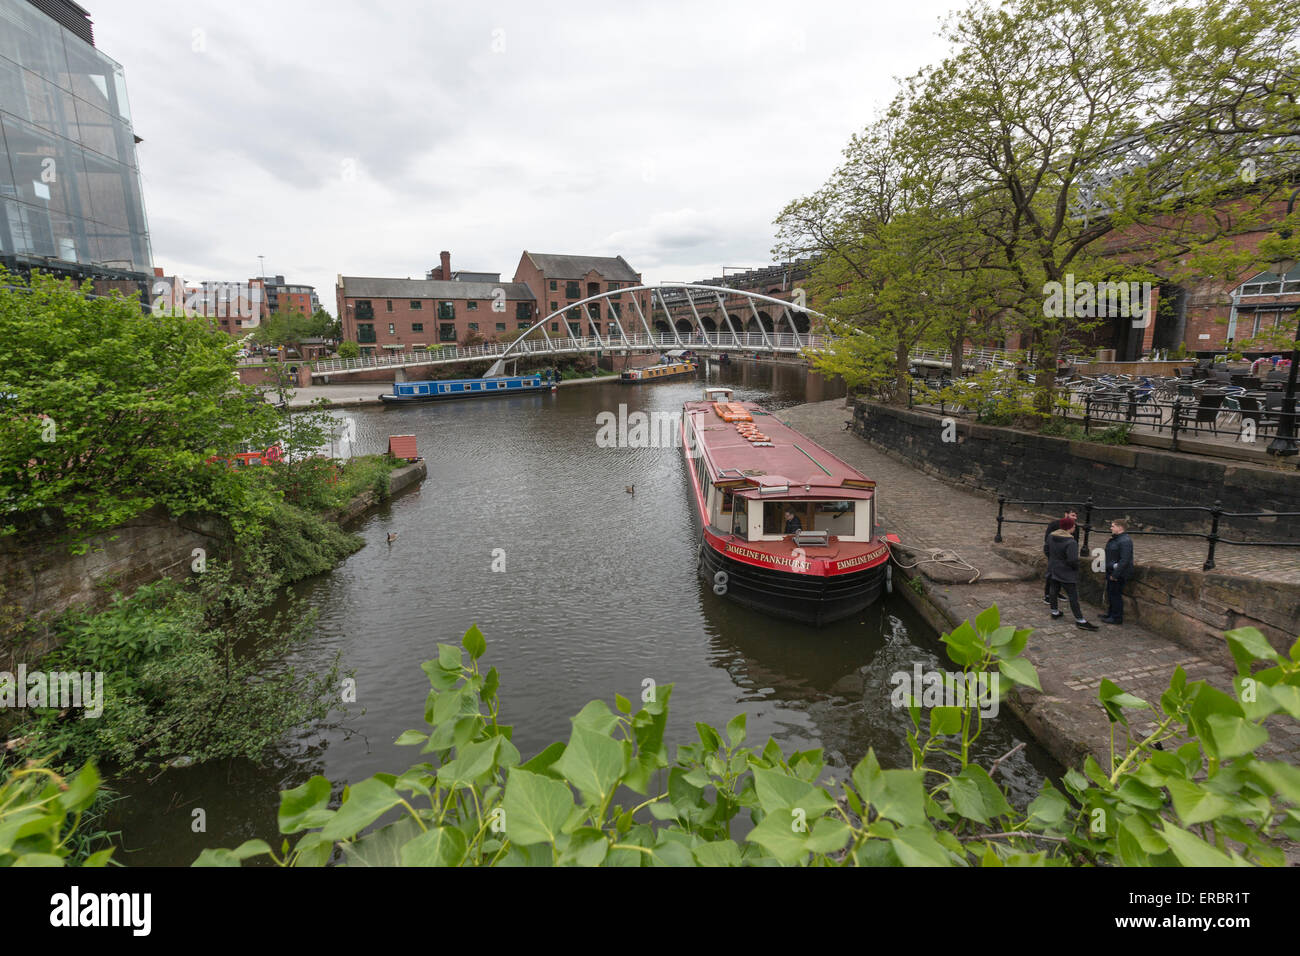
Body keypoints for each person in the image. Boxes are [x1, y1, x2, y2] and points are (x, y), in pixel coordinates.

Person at [1046, 516, 1098, 630]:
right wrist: (1075, 568)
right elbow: (1072, 560)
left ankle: (1054, 611)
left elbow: (1046, 549)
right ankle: (1080, 620)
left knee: (1054, 590)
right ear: (1070, 528)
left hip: (1053, 568)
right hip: (1066, 572)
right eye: (1074, 526)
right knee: (1073, 596)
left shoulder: (1051, 536)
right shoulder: (1071, 542)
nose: (1075, 528)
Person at [1100, 517, 1134, 625]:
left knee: (1115, 595)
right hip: (1112, 571)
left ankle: (1116, 617)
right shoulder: (1118, 539)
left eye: (1113, 526)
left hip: (1118, 574)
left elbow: (1124, 560)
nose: (1111, 528)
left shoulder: (1125, 541)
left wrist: (1115, 574)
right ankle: (1110, 614)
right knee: (1111, 593)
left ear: (1120, 528)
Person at [1042, 508, 1079, 604]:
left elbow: (1075, 541)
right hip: (1054, 557)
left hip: (1065, 558)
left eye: (1076, 516)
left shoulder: (1075, 527)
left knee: (1060, 578)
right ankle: (1047, 595)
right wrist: (1051, 556)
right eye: (1073, 515)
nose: (1075, 518)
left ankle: (1056, 593)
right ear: (1066, 514)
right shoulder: (1054, 525)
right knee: (1051, 576)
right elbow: (1047, 541)